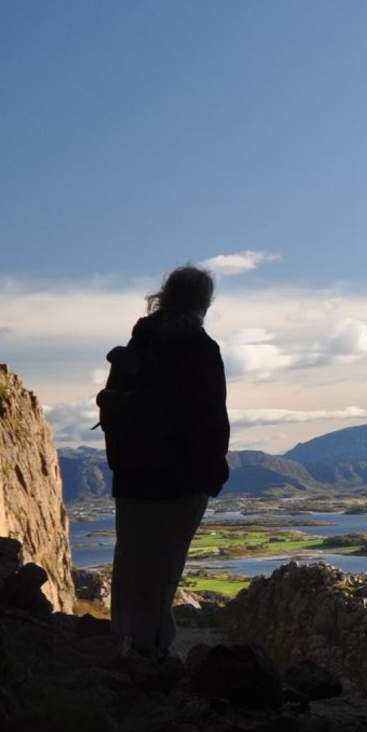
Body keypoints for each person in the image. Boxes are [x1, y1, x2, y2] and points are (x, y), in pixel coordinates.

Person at [100, 265, 230, 659]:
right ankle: (150, 652)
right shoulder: (201, 350)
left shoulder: (137, 346)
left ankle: (122, 641)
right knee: (164, 566)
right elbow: (210, 419)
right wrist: (213, 473)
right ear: (205, 303)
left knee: (131, 560)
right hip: (181, 481)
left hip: (132, 475)